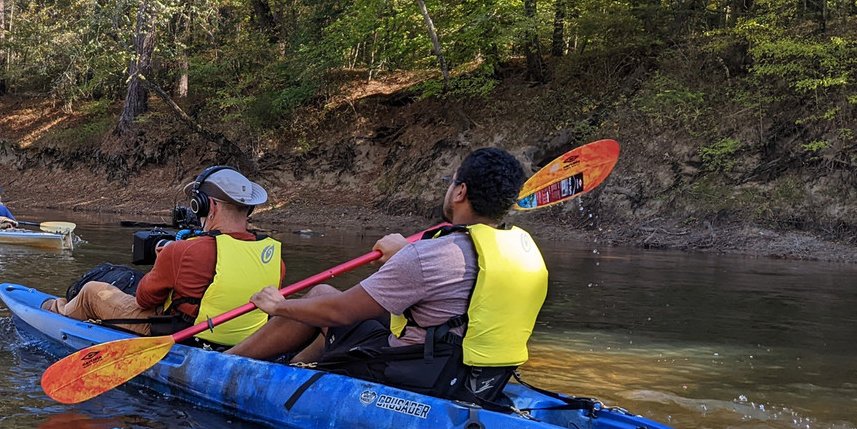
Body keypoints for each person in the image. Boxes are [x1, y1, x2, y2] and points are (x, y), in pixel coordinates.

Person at [225, 147, 548, 405]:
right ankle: (297, 369)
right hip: (479, 379)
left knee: (322, 299)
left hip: (417, 375)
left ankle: (220, 364)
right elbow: (448, 292)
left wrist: (277, 305)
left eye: (451, 181)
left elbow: (341, 312)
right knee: (328, 295)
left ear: (461, 191)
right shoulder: (524, 251)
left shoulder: (430, 254)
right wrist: (404, 256)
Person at [44, 166, 284, 346]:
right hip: (240, 341)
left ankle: (54, 310)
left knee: (91, 291)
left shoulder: (185, 250)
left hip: (181, 335)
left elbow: (144, 300)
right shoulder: (275, 259)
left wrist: (164, 260)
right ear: (249, 208)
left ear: (207, 205)